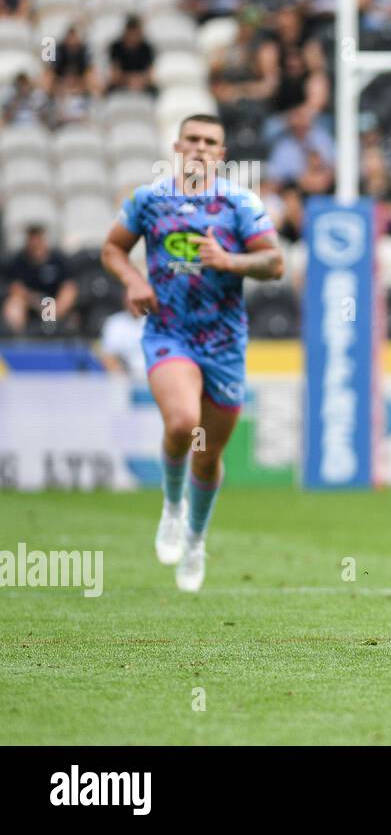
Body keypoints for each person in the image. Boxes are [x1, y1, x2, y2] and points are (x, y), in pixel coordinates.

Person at [100, 115, 285, 593]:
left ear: (221, 154)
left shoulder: (239, 204)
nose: (201, 148)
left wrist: (231, 261)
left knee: (209, 456)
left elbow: (274, 263)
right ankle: (171, 507)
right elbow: (113, 249)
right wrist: (135, 279)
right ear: (178, 146)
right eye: (194, 140)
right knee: (183, 423)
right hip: (169, 333)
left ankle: (196, 540)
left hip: (223, 342)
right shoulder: (148, 200)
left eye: (211, 142)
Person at [3, 224, 78, 334]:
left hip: (54, 304)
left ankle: (55, 333)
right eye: (32, 237)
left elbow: (69, 287)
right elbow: (16, 289)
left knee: (68, 296)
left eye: (37, 237)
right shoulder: (19, 261)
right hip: (30, 304)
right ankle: (18, 340)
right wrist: (37, 302)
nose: (35, 242)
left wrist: (52, 309)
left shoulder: (58, 260)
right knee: (14, 304)